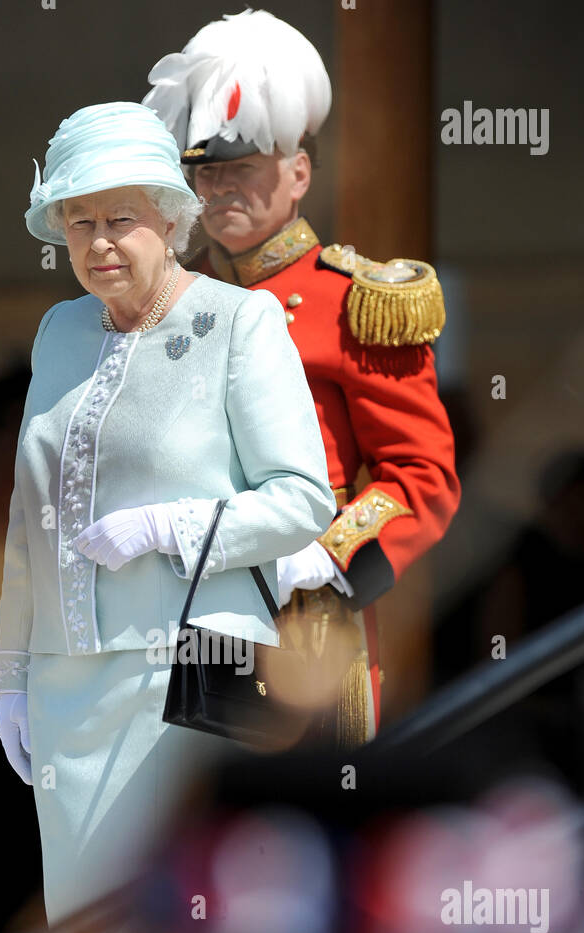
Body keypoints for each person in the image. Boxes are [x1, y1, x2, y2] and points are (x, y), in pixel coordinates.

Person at [0, 100, 335, 933]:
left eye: (120, 221)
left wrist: (168, 527)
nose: (97, 244)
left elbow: (304, 500)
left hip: (193, 660)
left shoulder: (239, 324)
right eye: (78, 222)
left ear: (173, 219)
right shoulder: (56, 334)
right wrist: (8, 670)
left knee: (180, 923)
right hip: (72, 673)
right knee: (87, 927)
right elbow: (24, 514)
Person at [143, 9, 459, 743]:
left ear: (298, 173)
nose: (221, 188)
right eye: (206, 170)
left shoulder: (358, 300)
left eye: (242, 167)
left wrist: (326, 558)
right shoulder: (172, 297)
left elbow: (423, 475)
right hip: (184, 600)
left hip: (306, 615)